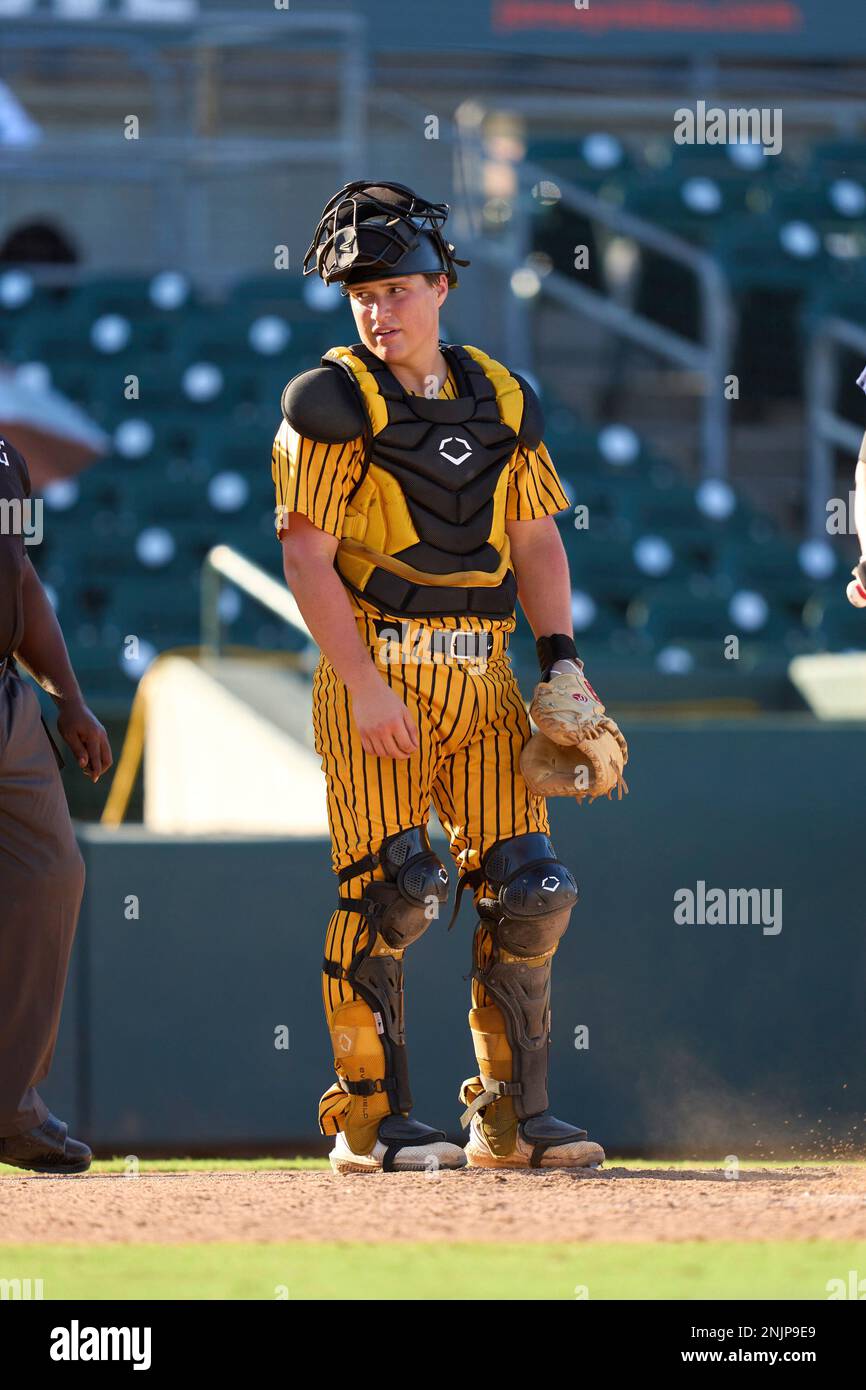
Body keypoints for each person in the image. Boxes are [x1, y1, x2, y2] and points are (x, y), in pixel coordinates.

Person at [272, 180, 605, 1173]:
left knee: (531, 887)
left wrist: (561, 665)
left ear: (441, 285)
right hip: (374, 667)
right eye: (359, 294)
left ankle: (510, 1122)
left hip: (484, 673)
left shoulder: (502, 395)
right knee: (395, 890)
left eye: (395, 288)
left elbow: (535, 538)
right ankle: (370, 1122)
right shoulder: (327, 399)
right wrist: (365, 690)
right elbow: (303, 554)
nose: (378, 309)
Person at [0, 434, 112, 1173]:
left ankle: (11, 1106)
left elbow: (20, 578)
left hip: (6, 700)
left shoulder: (5, 458)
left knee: (50, 874)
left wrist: (68, 697)